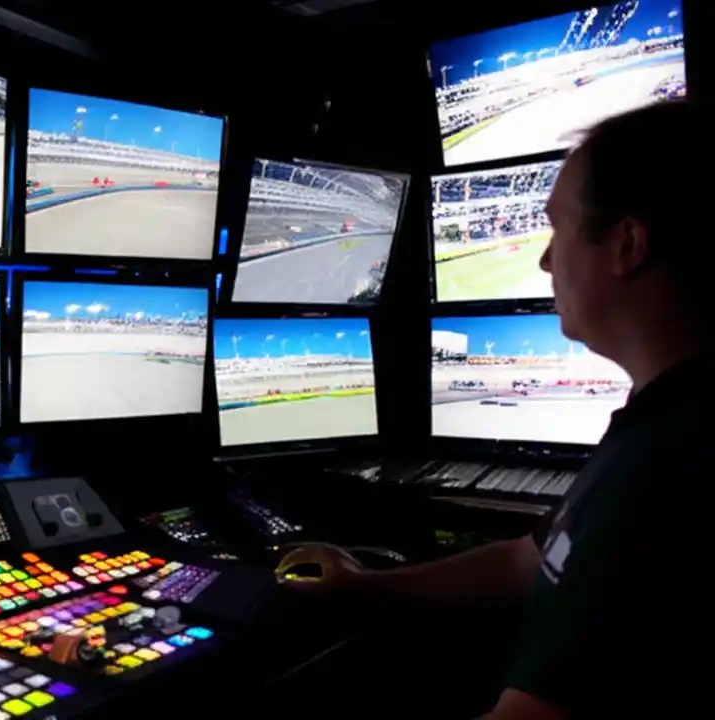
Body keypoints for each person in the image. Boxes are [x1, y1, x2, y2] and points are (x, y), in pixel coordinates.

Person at [277, 100, 712, 719]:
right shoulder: (657, 420)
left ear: (627, 245)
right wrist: (366, 589)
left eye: (557, 229)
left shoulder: (670, 471)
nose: (543, 260)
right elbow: (526, 561)